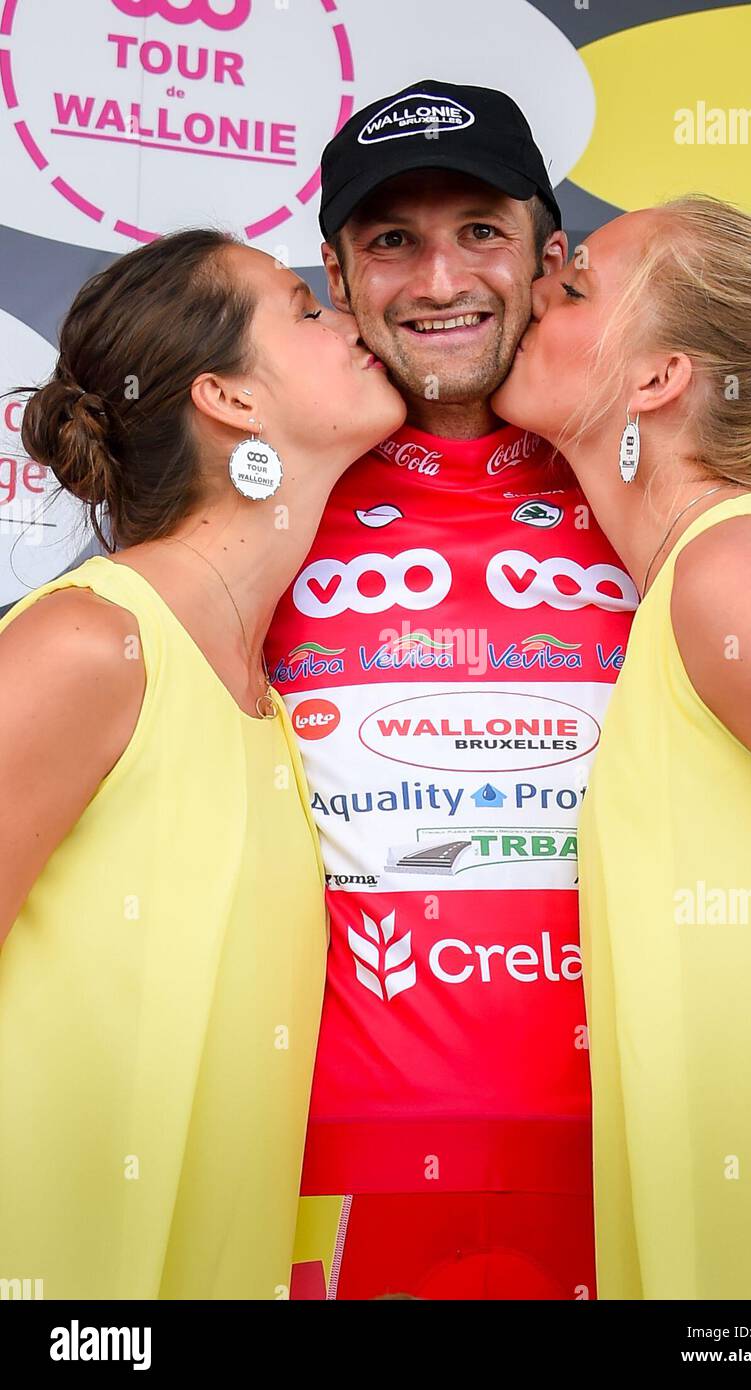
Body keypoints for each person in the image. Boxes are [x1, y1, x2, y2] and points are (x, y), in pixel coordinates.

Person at [266, 80, 637, 1300]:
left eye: (478, 229)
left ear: (551, 256)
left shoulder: (656, 486)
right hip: (326, 1169)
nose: (437, 282)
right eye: (391, 241)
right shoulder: (262, 498)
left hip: (636, 1150)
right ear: (335, 274)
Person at [0, 228, 405, 1299]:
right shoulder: (89, 646)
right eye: (304, 307)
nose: (350, 318)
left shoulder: (269, 705)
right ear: (229, 399)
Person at [491, 194, 751, 1299]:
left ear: (654, 380)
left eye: (568, 291)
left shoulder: (733, 568)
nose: (527, 301)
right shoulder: (702, 580)